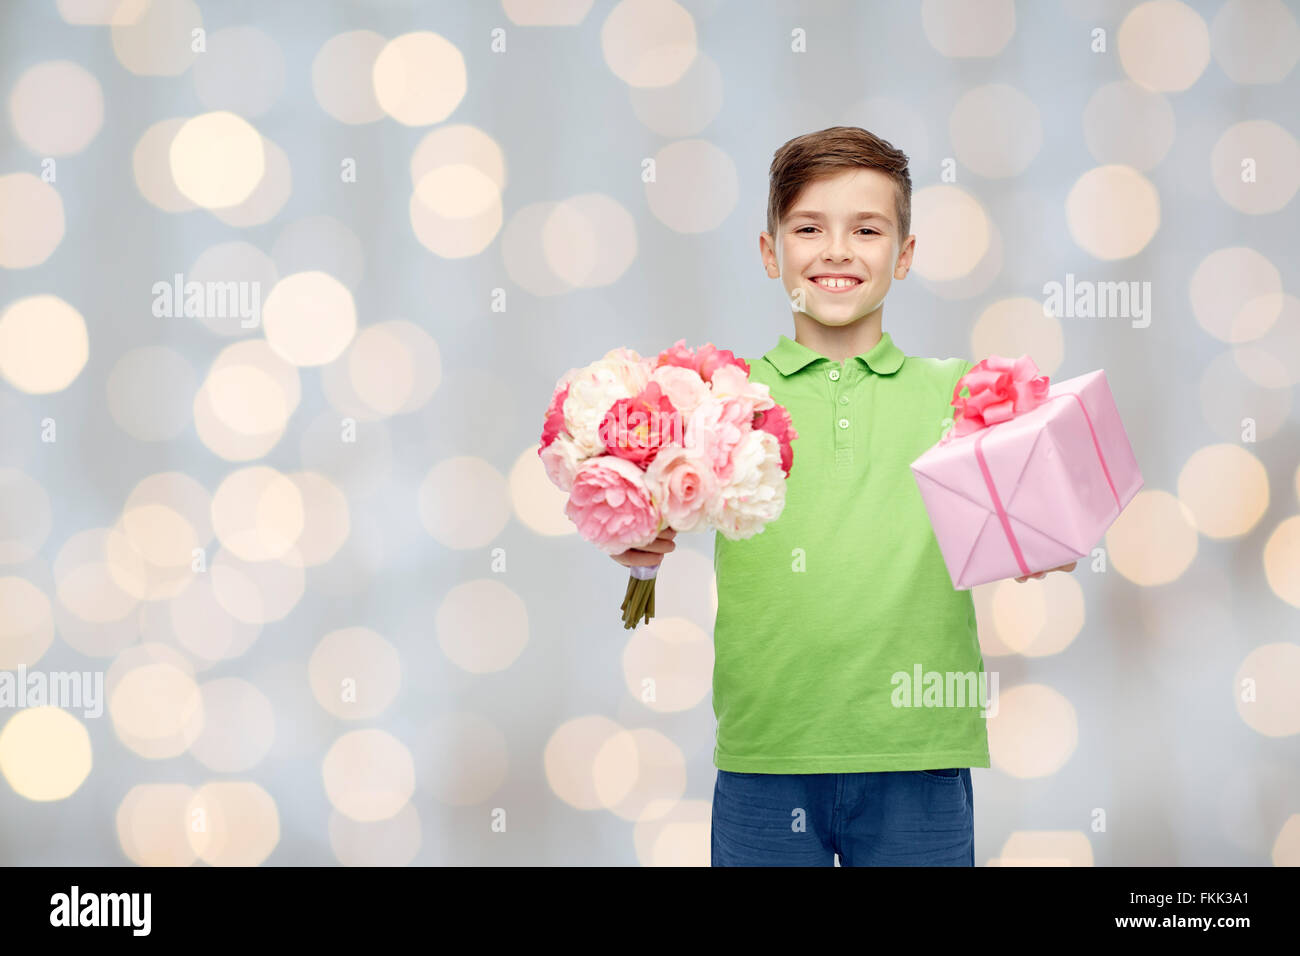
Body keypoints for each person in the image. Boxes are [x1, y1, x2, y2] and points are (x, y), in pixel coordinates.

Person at [613, 126, 1077, 866]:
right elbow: (648, 519)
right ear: (770, 253)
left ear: (906, 253)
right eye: (808, 228)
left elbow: (1047, 528)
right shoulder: (721, 399)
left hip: (919, 753)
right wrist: (638, 555)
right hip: (767, 758)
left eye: (866, 228)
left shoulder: (961, 395)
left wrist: (1043, 539)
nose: (836, 250)